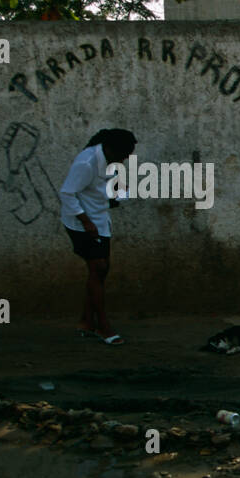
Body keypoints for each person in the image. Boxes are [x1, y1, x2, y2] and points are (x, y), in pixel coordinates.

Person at [60, 128, 137, 345]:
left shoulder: (108, 159)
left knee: (100, 273)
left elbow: (101, 186)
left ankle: (86, 322)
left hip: (100, 221)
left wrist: (118, 191)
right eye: (123, 154)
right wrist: (85, 222)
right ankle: (103, 327)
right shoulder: (87, 162)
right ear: (111, 149)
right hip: (82, 223)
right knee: (98, 268)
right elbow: (67, 193)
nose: (124, 159)